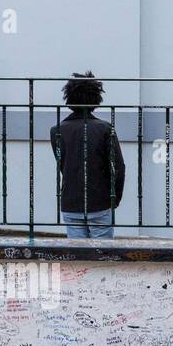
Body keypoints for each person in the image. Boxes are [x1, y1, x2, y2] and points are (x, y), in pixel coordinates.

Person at [50, 72, 126, 238]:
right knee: (102, 254)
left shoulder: (57, 131)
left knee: (78, 256)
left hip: (71, 201)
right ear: (95, 100)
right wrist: (114, 197)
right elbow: (118, 167)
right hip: (100, 201)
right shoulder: (105, 129)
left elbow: (63, 165)